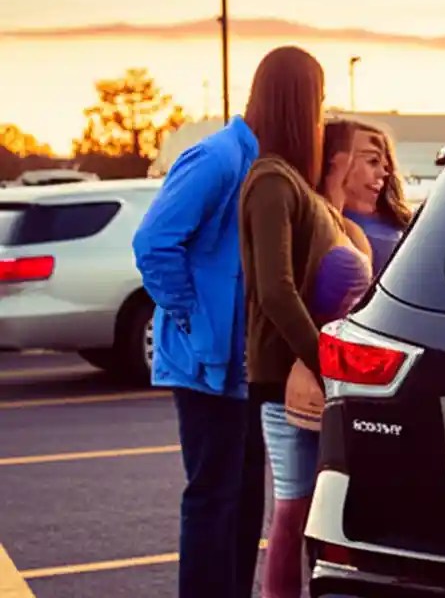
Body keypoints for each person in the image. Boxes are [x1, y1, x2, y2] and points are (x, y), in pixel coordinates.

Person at [132, 55, 277, 598]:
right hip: (205, 365)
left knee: (243, 497)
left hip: (248, 365)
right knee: (213, 497)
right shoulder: (217, 158)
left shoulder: (262, 164)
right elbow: (153, 243)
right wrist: (197, 322)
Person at [239, 53, 373, 598]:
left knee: (316, 514)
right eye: (315, 100)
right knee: (293, 515)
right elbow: (275, 289)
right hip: (285, 379)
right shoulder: (270, 180)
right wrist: (324, 361)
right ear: (294, 104)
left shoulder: (298, 183)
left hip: (313, 372)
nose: (321, 113)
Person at [323, 117, 413, 272]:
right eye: (372, 161)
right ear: (334, 162)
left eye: (386, 166)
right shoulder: (327, 229)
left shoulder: (402, 222)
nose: (383, 173)